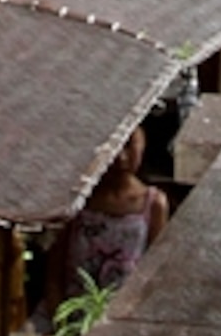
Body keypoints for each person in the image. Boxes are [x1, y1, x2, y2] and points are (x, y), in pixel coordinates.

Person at [47, 126, 169, 316]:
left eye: (129, 146)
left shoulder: (153, 204)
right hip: (73, 315)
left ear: (142, 146)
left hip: (121, 317)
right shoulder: (78, 200)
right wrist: (58, 323)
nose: (121, 157)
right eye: (114, 147)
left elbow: (154, 273)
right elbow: (54, 271)